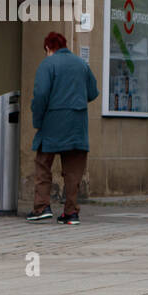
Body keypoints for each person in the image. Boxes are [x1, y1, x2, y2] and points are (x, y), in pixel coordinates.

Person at [28, 32, 99, 224]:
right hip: (77, 124)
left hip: (52, 122)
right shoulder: (81, 65)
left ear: (48, 48)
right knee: (73, 171)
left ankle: (42, 207)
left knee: (43, 164)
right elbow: (93, 92)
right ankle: (71, 213)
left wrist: (38, 120)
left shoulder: (47, 64)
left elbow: (41, 94)